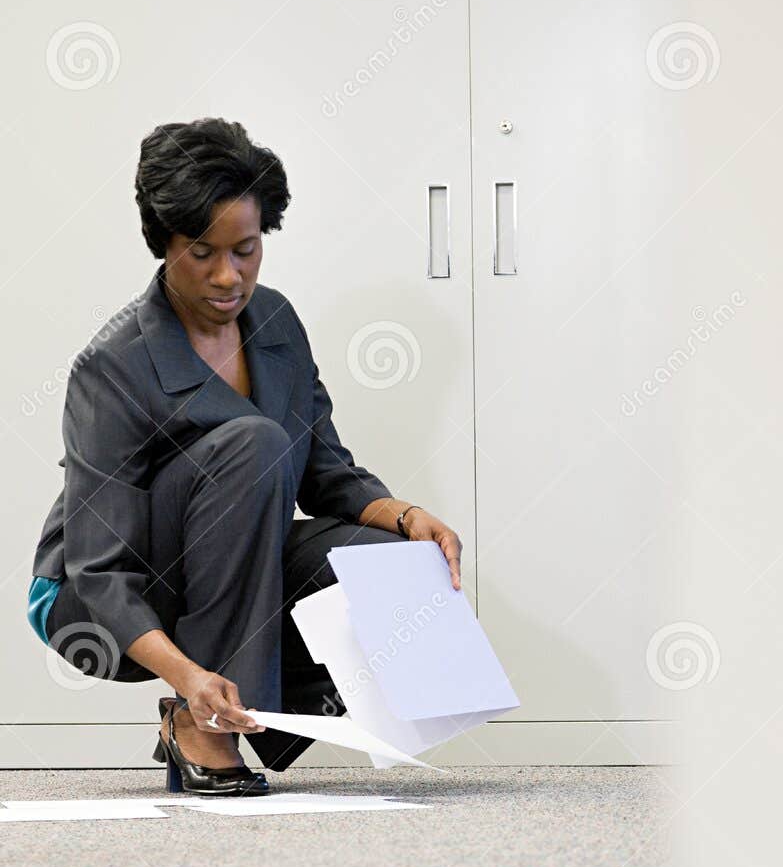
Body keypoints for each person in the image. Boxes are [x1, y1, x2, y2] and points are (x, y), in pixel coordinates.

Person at [28, 116, 462, 795]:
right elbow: (99, 567)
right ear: (163, 244)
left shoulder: (278, 324)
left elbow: (325, 473)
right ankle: (207, 721)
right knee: (252, 443)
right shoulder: (112, 366)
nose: (229, 276)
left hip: (226, 564)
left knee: (381, 562)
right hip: (94, 597)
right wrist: (184, 670)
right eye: (202, 253)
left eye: (247, 250)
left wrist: (408, 520)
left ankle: (221, 710)